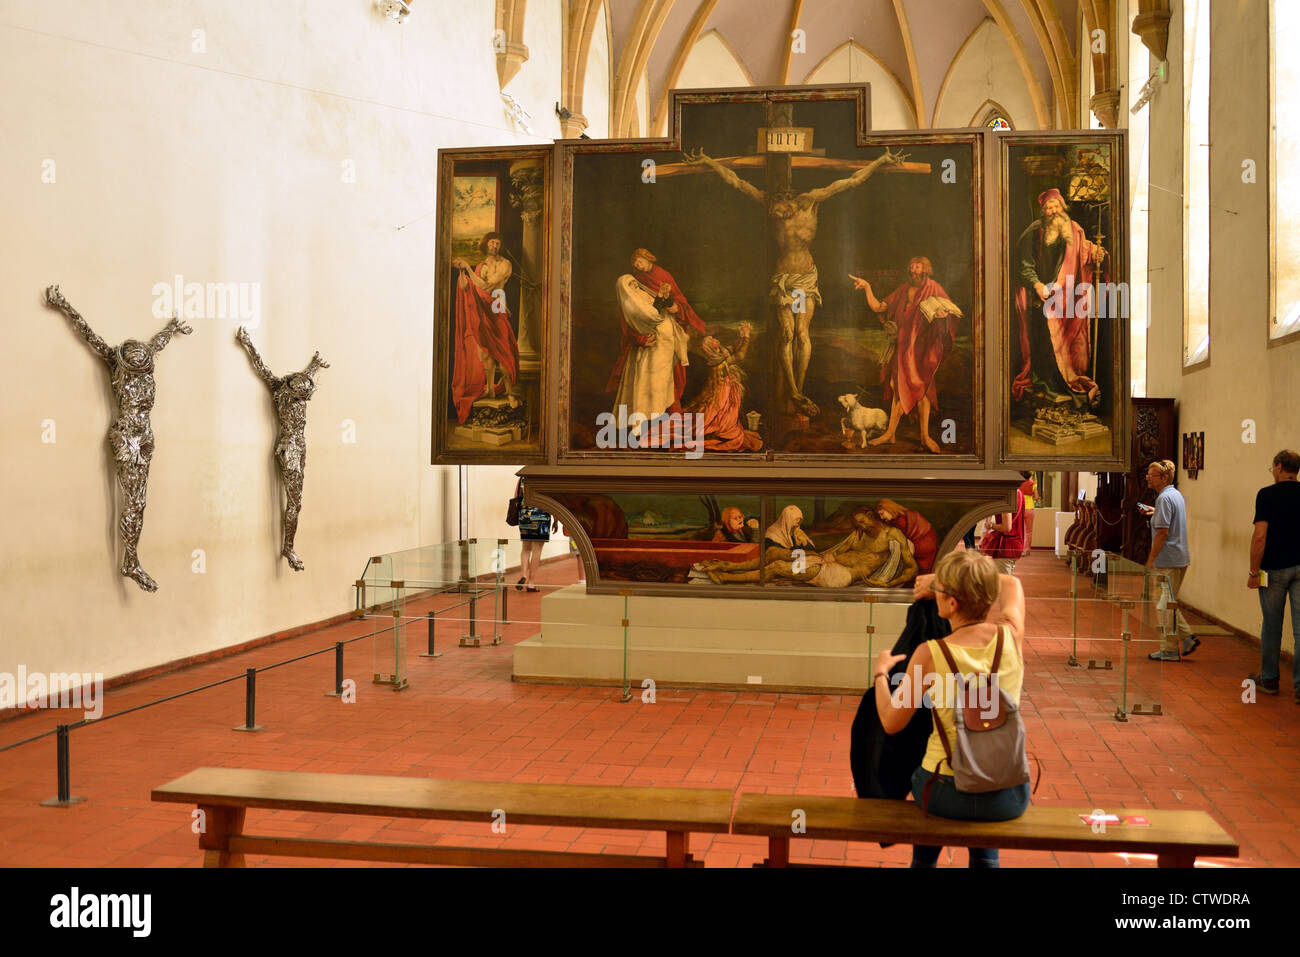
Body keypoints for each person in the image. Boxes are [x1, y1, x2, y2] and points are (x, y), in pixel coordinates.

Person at [685, 146, 905, 417]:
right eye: (773, 214)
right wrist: (708, 159)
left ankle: (798, 388)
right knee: (786, 334)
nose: (776, 216)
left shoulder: (811, 201)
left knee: (802, 333)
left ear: (790, 203)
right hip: (784, 281)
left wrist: (882, 159)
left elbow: (851, 181)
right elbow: (736, 182)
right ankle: (793, 390)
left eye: (780, 213)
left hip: (804, 280)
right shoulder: (768, 202)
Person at [873, 549, 1029, 867]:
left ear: (951, 603)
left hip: (945, 790)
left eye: (939, 590)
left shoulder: (931, 653)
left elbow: (891, 722)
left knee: (925, 779)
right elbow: (1012, 584)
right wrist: (947, 580)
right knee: (985, 841)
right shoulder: (1011, 637)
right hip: (1007, 793)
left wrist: (880, 673)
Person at [236, 328, 329, 571]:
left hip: (300, 446)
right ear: (292, 391)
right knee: (294, 503)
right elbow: (261, 367)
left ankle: (289, 547)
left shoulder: (297, 387)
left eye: (304, 396)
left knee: (296, 503)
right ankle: (289, 548)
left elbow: (305, 376)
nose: (302, 400)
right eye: (300, 396)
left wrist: (315, 365)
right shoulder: (280, 389)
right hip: (289, 448)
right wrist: (247, 342)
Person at [851, 257, 961, 453]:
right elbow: (878, 307)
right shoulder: (902, 290)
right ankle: (894, 434)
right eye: (911, 270)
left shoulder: (934, 288)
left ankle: (922, 436)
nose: (913, 273)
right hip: (904, 347)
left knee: (922, 388)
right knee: (898, 385)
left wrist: (943, 316)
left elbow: (950, 313)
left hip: (923, 348)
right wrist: (867, 287)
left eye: (917, 270)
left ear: (926, 271)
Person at [1012, 188, 1107, 409]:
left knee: (1069, 342)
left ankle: (1067, 383)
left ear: (1062, 207)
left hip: (1069, 298)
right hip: (1042, 297)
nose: (1053, 211)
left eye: (1056, 206)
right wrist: (1037, 285)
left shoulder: (1074, 230)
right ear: (1043, 211)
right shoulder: (1034, 232)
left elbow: (1085, 251)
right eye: (1048, 207)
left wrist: (1097, 253)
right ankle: (1049, 385)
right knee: (1045, 345)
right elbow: (1024, 266)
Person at [606, 249, 698, 430]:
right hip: (650, 346)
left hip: (665, 343)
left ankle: (670, 420)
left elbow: (668, 306)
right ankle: (643, 424)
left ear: (647, 259)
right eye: (634, 264)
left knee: (664, 382)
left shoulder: (649, 284)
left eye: (639, 262)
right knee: (646, 385)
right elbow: (642, 319)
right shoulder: (630, 298)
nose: (637, 267)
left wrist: (668, 301)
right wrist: (639, 338)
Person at [1247, 449, 1300, 699]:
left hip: (1274, 569)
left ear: (1279, 467)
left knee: (1272, 625)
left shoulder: (1267, 495)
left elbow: (1260, 537)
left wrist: (1253, 571)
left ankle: (1269, 679)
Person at [451, 232, 519, 423]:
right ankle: (489, 389)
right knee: (485, 352)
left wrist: (468, 270)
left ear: (500, 245)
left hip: (497, 307)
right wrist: (461, 272)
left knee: (504, 350)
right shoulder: (481, 266)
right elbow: (467, 288)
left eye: (497, 242)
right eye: (491, 242)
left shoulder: (505, 264)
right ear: (486, 245)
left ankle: (509, 393)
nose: (494, 245)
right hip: (482, 309)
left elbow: (488, 287)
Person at [1143, 459, 1196, 661]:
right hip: (1179, 557)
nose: (1148, 477)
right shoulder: (1174, 495)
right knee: (1168, 603)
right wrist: (1154, 513)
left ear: (1164, 478)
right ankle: (1178, 642)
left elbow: (1163, 532)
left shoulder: (1164, 498)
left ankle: (1173, 646)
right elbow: (1168, 520)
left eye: (1152, 474)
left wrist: (1151, 558)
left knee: (1164, 605)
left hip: (1168, 560)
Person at [515, 479, 557, 593]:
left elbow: (516, 495)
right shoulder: (546, 477)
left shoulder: (523, 477)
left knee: (525, 549)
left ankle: (523, 574)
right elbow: (553, 500)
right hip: (541, 516)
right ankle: (531, 583)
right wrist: (556, 520)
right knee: (537, 550)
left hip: (525, 515)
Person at [875, 499, 938, 573]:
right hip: (921, 542)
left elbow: (902, 540)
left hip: (924, 542)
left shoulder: (901, 520)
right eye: (879, 515)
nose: (881, 517)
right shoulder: (895, 520)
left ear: (889, 509)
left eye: (882, 514)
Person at [980, 486, 1026, 576]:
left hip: (1005, 545)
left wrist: (991, 525)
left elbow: (1007, 527)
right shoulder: (1019, 493)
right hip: (1015, 543)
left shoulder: (1006, 496)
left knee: (1002, 585)